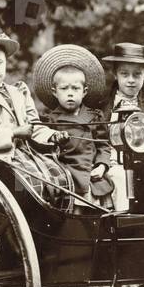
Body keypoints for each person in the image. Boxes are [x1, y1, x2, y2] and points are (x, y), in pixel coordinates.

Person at [0, 21, 69, 202]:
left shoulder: (18, 92)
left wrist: (52, 135)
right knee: (31, 184)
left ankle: (47, 226)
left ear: (6, 64)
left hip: (25, 154)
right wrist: (14, 132)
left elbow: (34, 126)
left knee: (61, 178)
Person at [32, 44, 114, 207]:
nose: (70, 93)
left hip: (93, 174)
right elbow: (45, 151)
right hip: (66, 177)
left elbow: (104, 145)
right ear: (55, 92)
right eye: (64, 88)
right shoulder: (51, 121)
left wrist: (102, 165)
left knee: (100, 210)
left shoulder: (94, 116)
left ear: (84, 91)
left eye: (75, 88)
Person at [101, 34, 144, 210]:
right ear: (115, 74)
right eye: (124, 74)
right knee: (119, 177)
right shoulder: (103, 103)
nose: (131, 80)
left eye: (137, 74)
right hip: (112, 161)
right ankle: (123, 224)